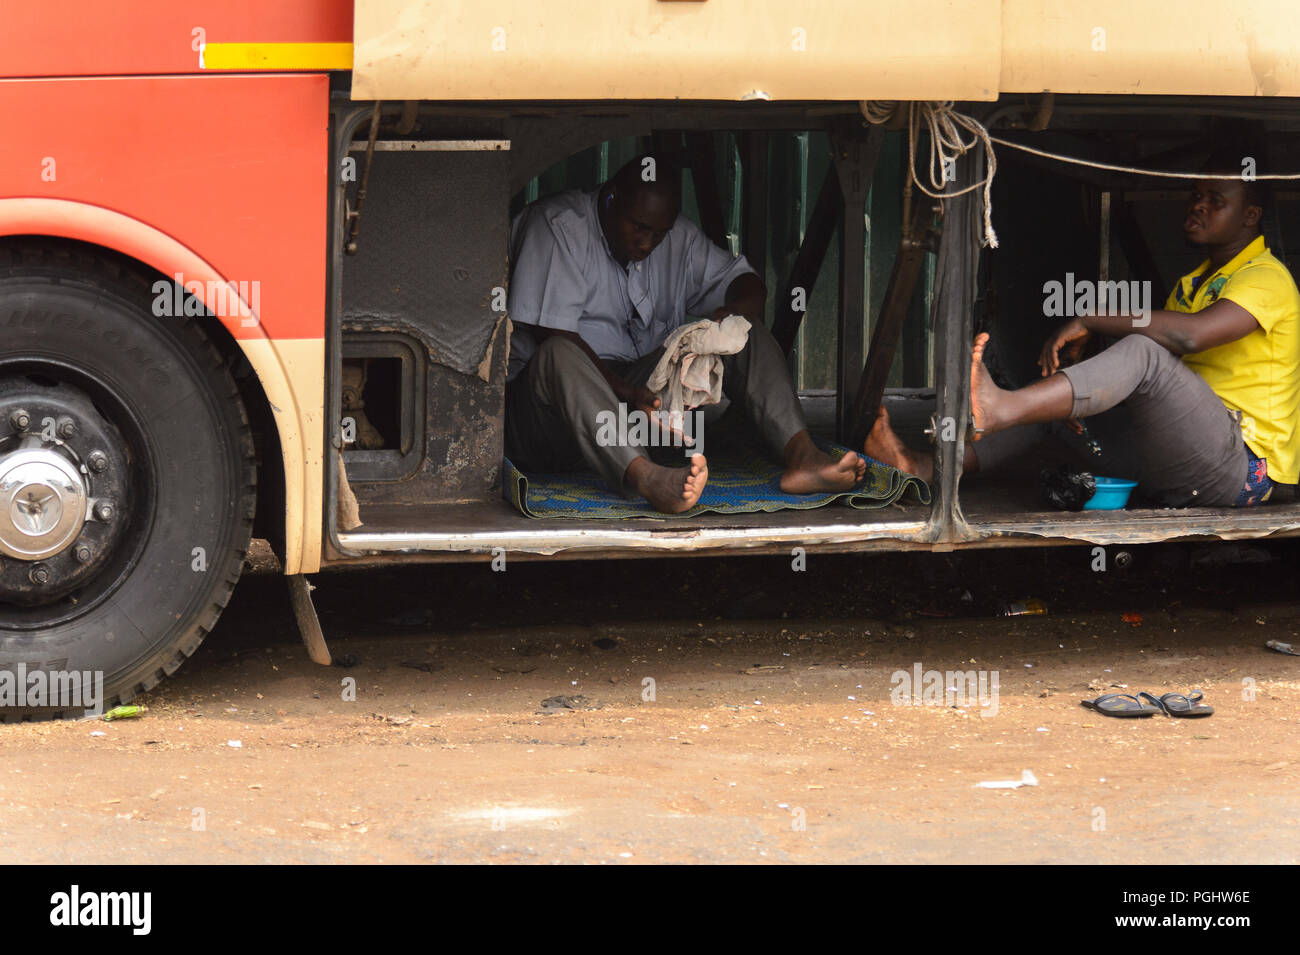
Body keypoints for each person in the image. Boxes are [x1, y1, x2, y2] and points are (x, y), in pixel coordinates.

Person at [866, 170, 1300, 507]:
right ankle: (917, 468)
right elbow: (1164, 382)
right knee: (1055, 403)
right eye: (1196, 196)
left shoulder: (1265, 278)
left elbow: (1190, 337)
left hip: (1241, 470)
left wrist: (1092, 317)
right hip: (1183, 460)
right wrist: (1085, 391)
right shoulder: (1196, 282)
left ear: (1250, 217)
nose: (1199, 206)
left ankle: (1000, 408)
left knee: (1143, 354)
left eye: (1215, 201)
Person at [505, 154, 865, 513]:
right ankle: (648, 478)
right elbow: (551, 334)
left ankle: (803, 456)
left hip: (639, 406)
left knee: (745, 332)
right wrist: (627, 392)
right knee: (557, 352)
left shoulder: (676, 236)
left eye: (658, 233)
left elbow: (746, 282)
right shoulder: (557, 225)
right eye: (639, 227)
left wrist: (731, 314)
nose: (647, 243)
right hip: (549, 423)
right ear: (612, 197)